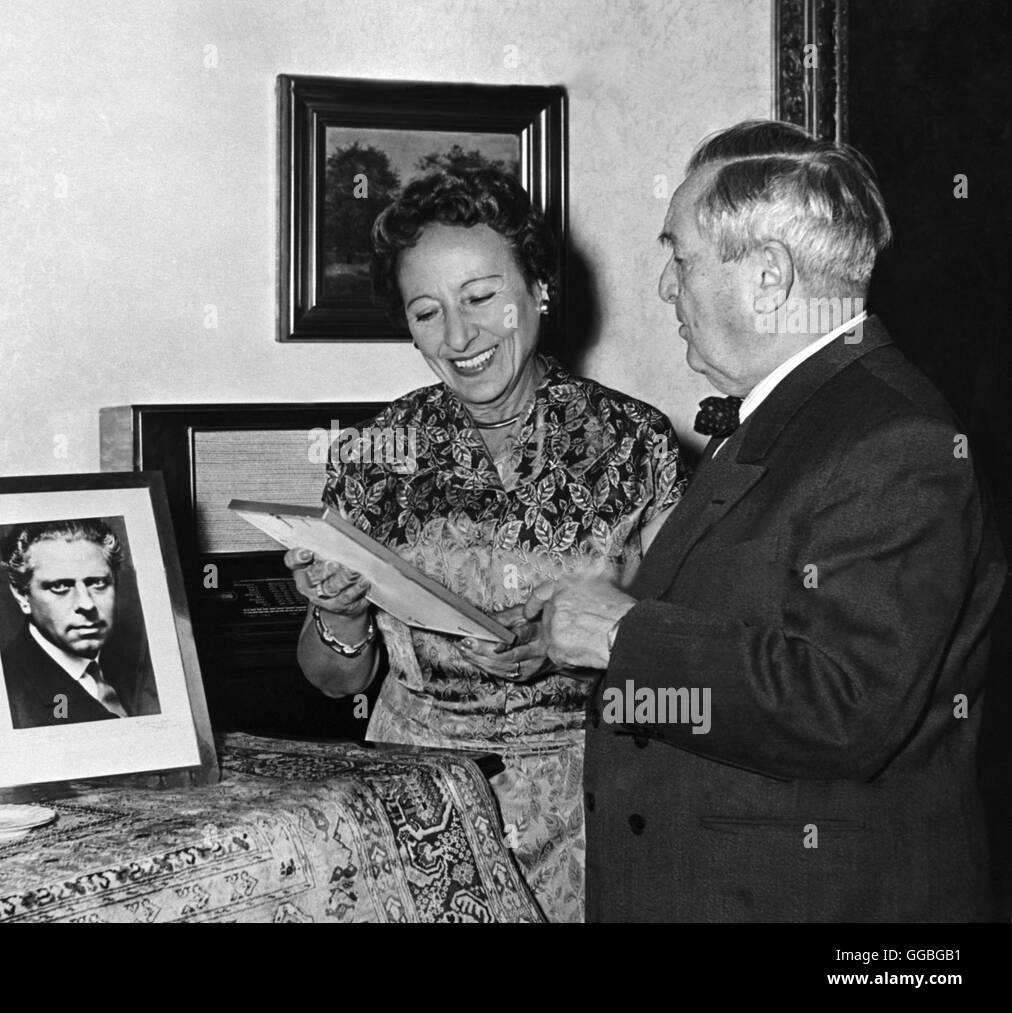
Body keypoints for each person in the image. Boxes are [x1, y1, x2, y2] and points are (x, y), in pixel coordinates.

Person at [524, 120, 1006, 922]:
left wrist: (623, 634)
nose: (663, 288)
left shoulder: (898, 442)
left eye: (679, 257)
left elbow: (841, 707)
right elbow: (739, 670)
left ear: (770, 277)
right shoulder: (795, 417)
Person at [289, 167, 688, 921]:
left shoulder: (635, 443)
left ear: (538, 287)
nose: (459, 336)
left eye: (480, 298)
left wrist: (575, 643)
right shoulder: (377, 452)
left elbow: (692, 657)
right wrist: (337, 614)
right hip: (416, 814)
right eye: (427, 311)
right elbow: (337, 682)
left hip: (593, 809)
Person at [0, 518, 160, 729]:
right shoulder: (3, 691)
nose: (86, 603)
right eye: (59, 586)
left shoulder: (143, 664)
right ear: (22, 594)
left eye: (98, 583)